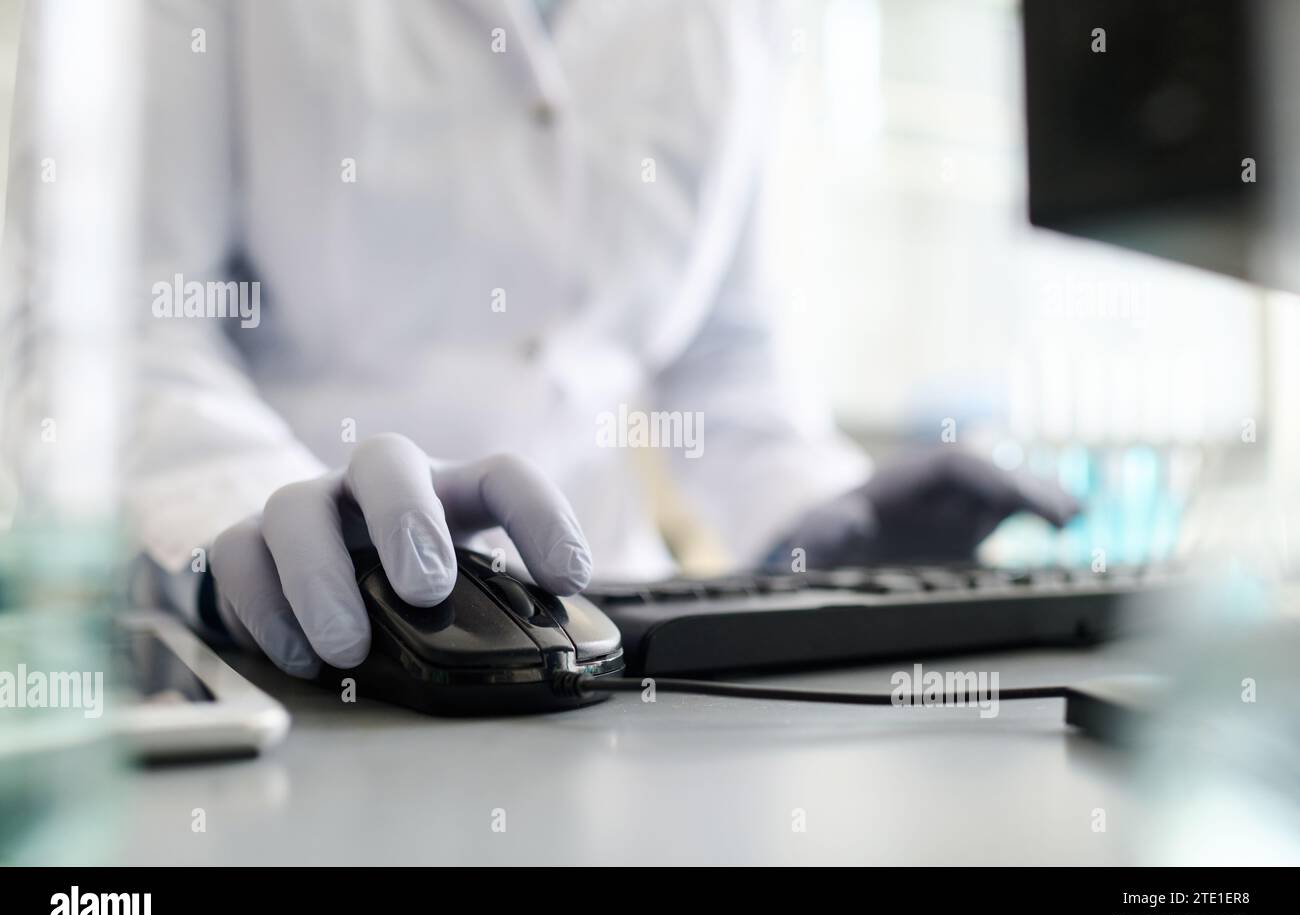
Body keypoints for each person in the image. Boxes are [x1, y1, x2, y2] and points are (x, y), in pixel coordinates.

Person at [4, 0, 1076, 678]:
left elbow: (720, 349)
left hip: (612, 642)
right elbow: (113, 323)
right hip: (295, 662)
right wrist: (240, 511)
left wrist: (813, 529)